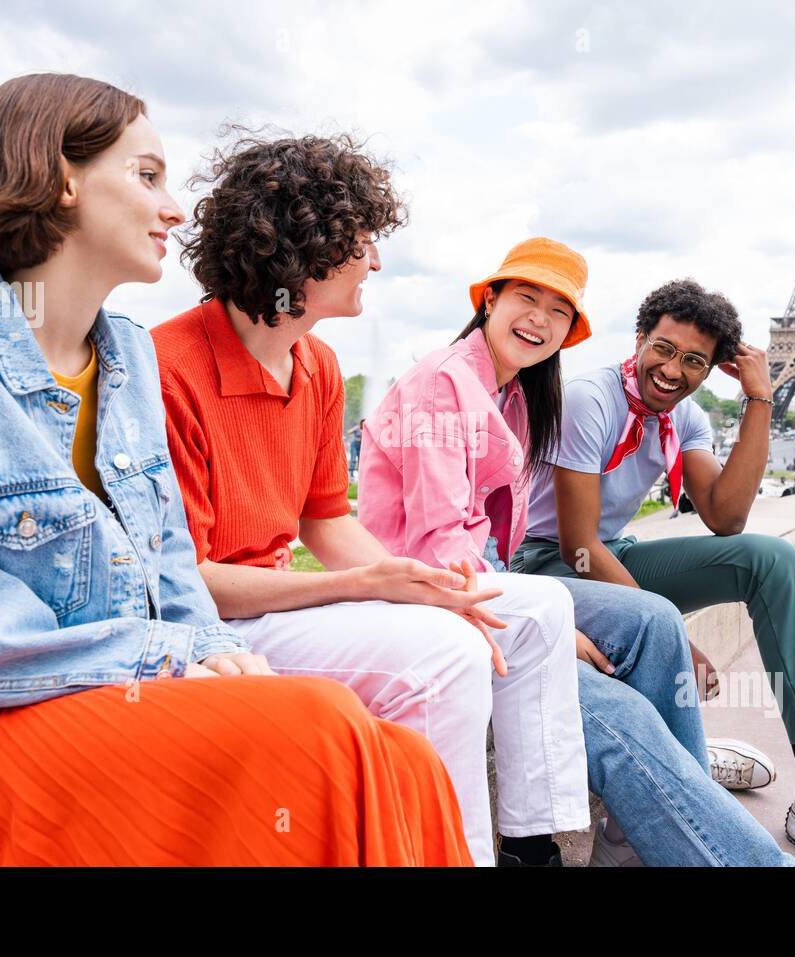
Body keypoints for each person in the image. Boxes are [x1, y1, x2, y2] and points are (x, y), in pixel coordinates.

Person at [0, 75, 472, 867]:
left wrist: (215, 653)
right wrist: (167, 658)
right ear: (60, 177)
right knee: (319, 727)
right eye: (147, 176)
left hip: (89, 697)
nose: (174, 209)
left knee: (407, 761)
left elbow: (169, 562)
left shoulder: (129, 357)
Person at [152, 132, 588, 866]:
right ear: (306, 249)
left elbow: (325, 518)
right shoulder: (169, 368)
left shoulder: (316, 364)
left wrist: (409, 582)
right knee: (449, 652)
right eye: (362, 241)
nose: (377, 261)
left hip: (276, 602)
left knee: (543, 606)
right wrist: (372, 583)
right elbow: (185, 585)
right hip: (217, 628)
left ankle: (531, 842)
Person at [360, 238, 795, 867]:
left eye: (558, 311)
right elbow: (441, 548)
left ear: (570, 331)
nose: (539, 319)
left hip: (488, 582)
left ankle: (662, 827)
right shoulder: (444, 385)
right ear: (489, 301)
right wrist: (548, 628)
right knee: (620, 717)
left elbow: (726, 515)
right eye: (525, 298)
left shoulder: (517, 393)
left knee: (656, 619)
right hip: (433, 598)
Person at [512, 279, 795, 866]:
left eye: (694, 360)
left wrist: (760, 399)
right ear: (641, 338)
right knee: (653, 621)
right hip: (546, 562)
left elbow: (726, 517)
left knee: (769, 559)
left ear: (712, 368)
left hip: (612, 553)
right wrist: (675, 629)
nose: (673, 370)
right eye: (664, 349)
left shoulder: (687, 418)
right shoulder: (589, 399)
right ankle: (688, 765)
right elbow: (576, 545)